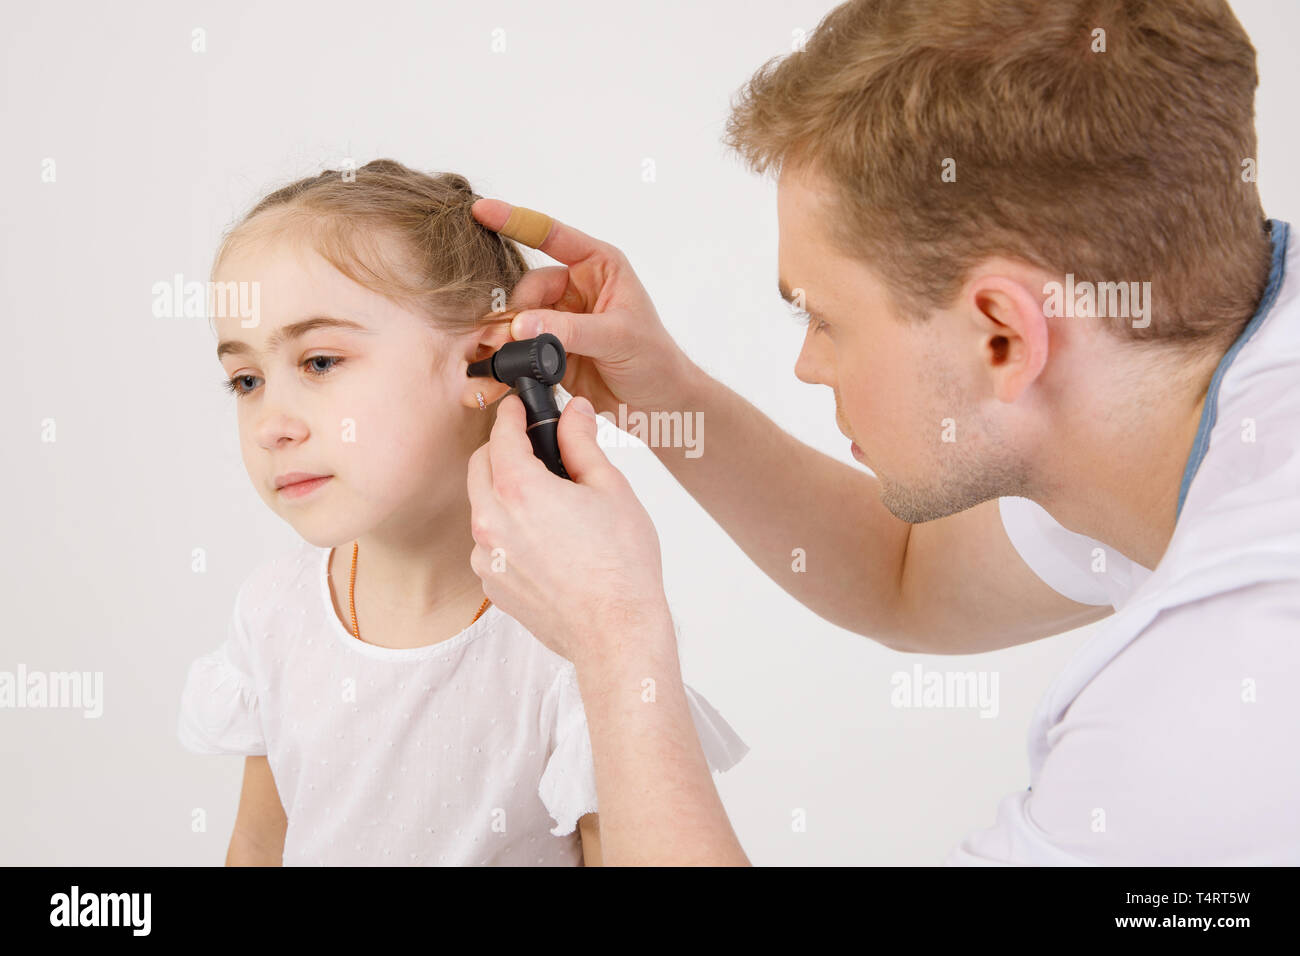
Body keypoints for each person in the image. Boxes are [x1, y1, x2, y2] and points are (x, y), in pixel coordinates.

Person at [464, 0, 1300, 865]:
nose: (808, 367)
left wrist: (613, 639)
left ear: (1003, 338)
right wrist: (659, 391)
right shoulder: (1184, 381)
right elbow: (907, 570)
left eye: (822, 318)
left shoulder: (1230, 686)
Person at [175, 159, 748, 866]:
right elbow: (259, 848)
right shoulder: (272, 616)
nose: (272, 424)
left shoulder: (576, 643)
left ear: (485, 360)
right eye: (246, 380)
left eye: (320, 362)